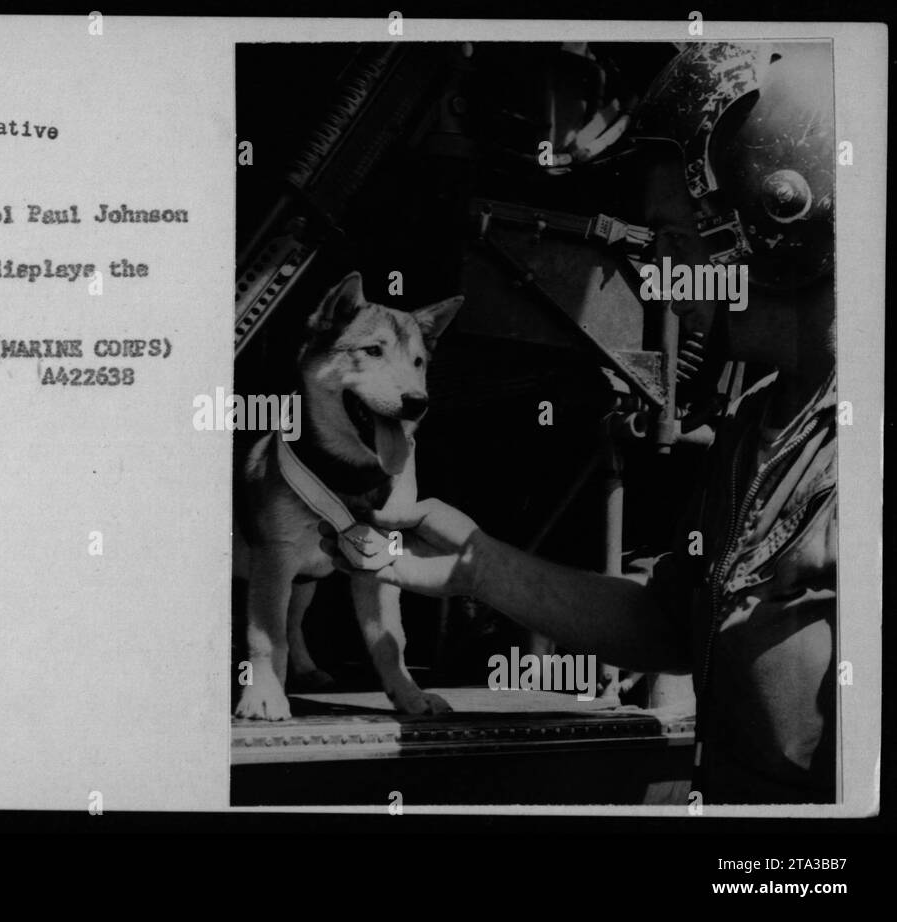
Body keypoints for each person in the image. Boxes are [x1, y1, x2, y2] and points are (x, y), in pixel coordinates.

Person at [323, 42, 838, 805]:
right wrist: (475, 563)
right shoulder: (756, 425)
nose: (658, 268)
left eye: (673, 235)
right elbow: (669, 626)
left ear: (770, 222)